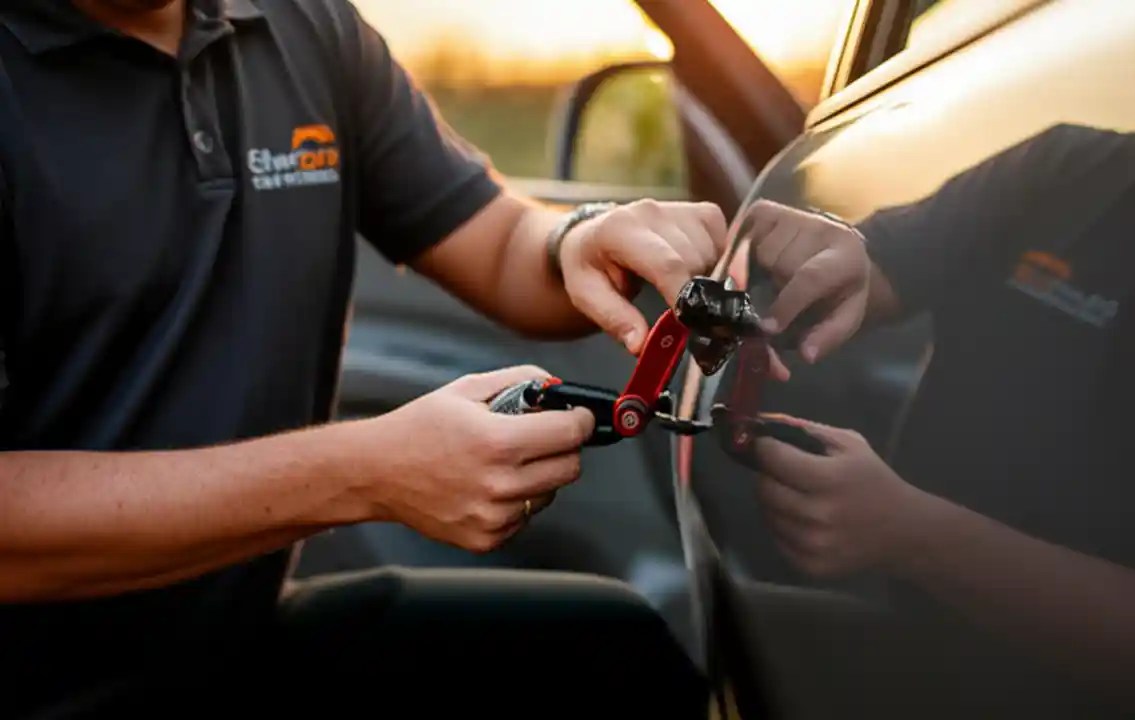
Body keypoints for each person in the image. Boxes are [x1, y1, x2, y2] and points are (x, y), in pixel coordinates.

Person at [0, 0, 725, 716]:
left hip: (231, 646)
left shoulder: (304, 25)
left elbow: (501, 244)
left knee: (615, 657)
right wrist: (363, 474)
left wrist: (577, 241)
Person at [732, 75, 1135, 716]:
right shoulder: (1073, 171)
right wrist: (818, 254)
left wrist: (907, 531)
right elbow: (869, 267)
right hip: (911, 658)